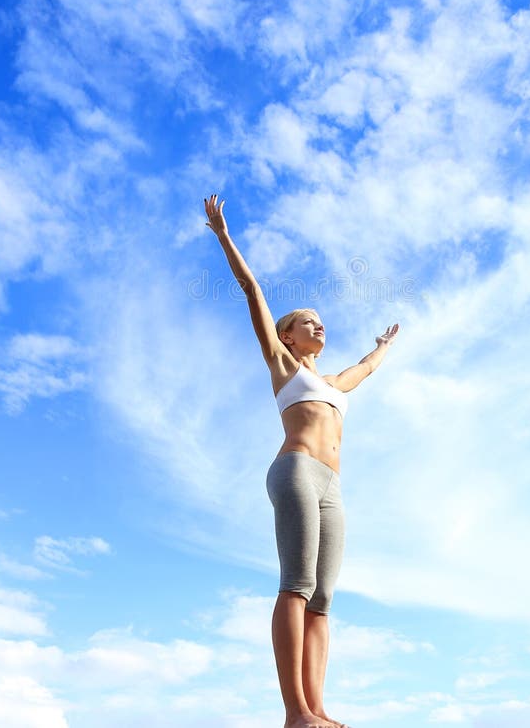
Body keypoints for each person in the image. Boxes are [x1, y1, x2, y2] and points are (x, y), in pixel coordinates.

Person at [204, 194, 399, 728]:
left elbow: (365, 367)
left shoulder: (334, 383)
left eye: (322, 322)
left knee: (324, 599)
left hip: (333, 486)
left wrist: (384, 346)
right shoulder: (284, 365)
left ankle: (318, 709)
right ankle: (295, 712)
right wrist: (223, 235)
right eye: (308, 320)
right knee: (296, 584)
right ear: (288, 334)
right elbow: (254, 291)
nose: (319, 325)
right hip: (295, 470)